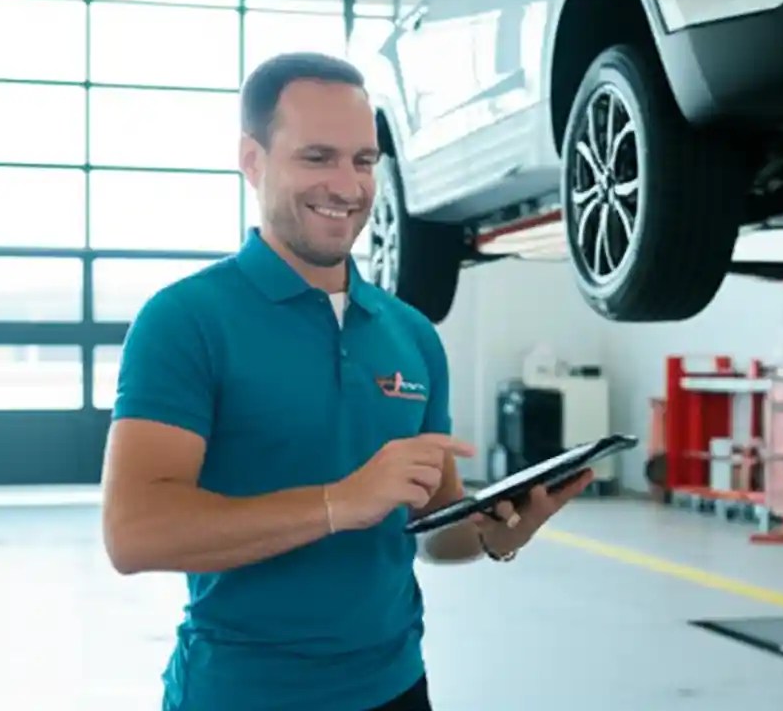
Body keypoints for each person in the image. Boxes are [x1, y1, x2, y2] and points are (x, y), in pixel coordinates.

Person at [99, 52, 594, 711]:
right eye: (317, 157)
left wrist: (496, 532)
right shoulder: (185, 320)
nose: (347, 186)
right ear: (252, 160)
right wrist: (339, 501)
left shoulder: (411, 335)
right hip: (240, 694)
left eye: (363, 161)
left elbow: (433, 529)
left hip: (395, 688)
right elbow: (134, 533)